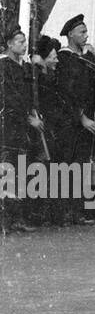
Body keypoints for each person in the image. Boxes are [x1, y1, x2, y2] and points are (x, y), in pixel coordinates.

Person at [55, 14, 95, 226]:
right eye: (81, 32)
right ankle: (64, 211)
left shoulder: (86, 57)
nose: (86, 35)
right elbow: (64, 93)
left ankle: (78, 210)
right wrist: (81, 118)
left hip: (87, 121)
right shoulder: (64, 59)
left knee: (81, 165)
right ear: (71, 34)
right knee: (67, 165)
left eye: (86, 32)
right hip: (70, 122)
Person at [0, 25, 42, 234]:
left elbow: (28, 95)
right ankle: (6, 221)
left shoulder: (24, 66)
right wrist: (28, 118)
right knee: (7, 171)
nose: (24, 46)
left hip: (23, 128)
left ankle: (17, 218)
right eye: (20, 42)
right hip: (9, 126)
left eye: (25, 42)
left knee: (20, 171)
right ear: (9, 43)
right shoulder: (3, 66)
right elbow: (9, 98)